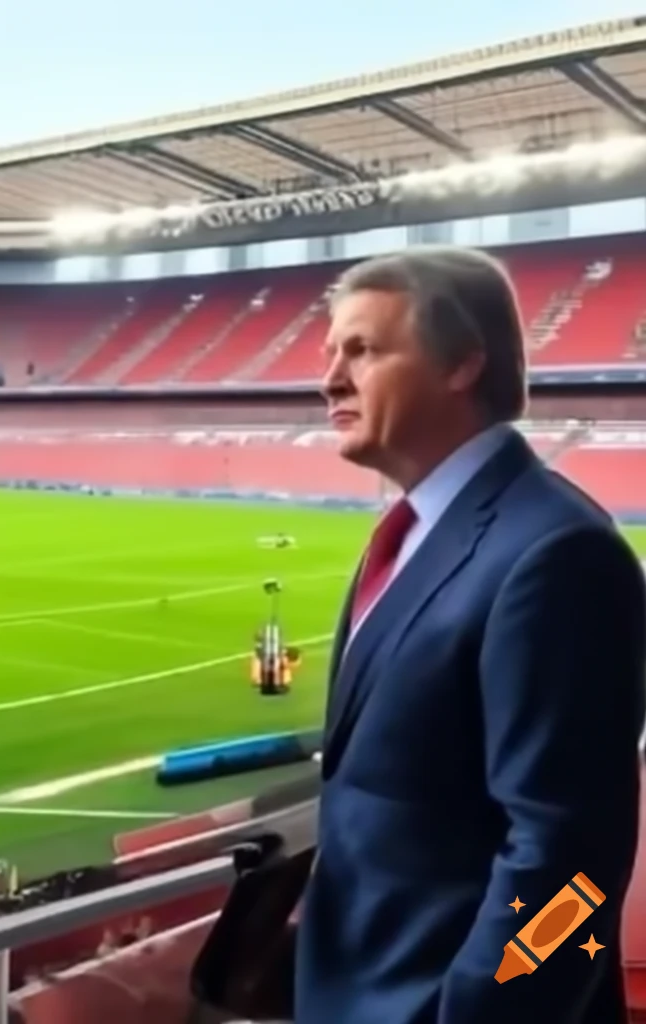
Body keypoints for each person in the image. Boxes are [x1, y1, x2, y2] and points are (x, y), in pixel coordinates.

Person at [297, 246, 645, 1024]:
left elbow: (572, 868)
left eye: (363, 350)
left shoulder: (556, 553)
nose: (329, 379)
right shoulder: (412, 534)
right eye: (331, 352)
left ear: (462, 366)